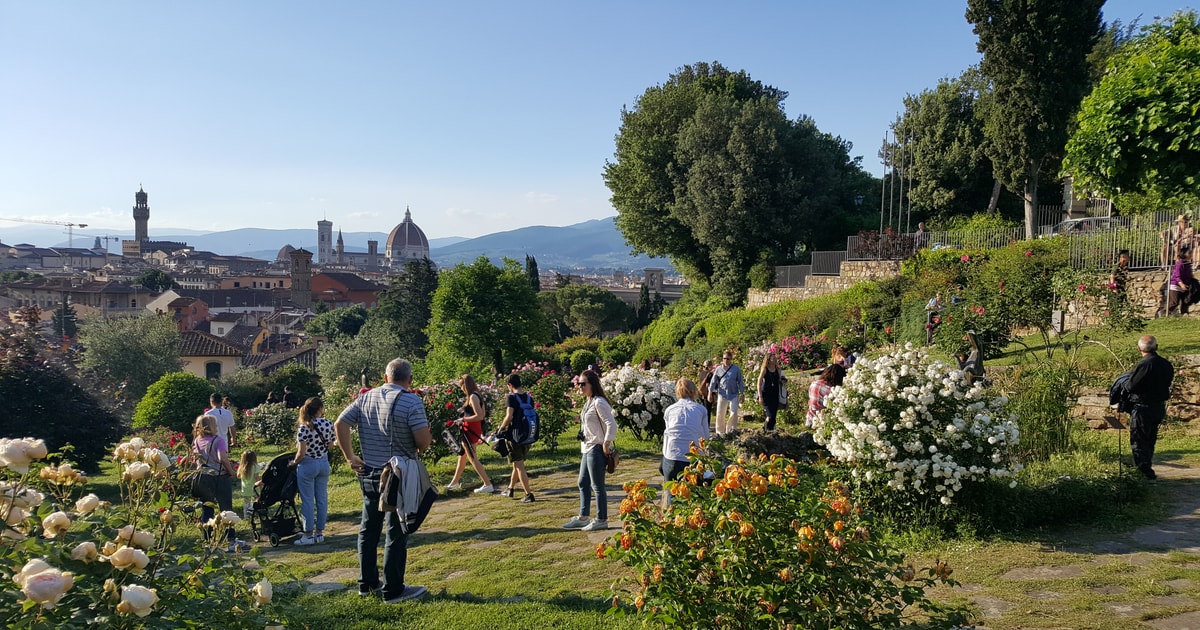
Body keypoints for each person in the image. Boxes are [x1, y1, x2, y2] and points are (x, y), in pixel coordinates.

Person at [335, 358, 433, 603]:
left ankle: (366, 583)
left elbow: (340, 423)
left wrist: (350, 457)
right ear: (409, 380)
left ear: (385, 376)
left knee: (368, 528)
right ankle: (393, 589)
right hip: (398, 474)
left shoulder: (366, 397)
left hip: (369, 471)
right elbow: (422, 441)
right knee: (396, 530)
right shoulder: (411, 401)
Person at [563, 369, 618, 531]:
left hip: (596, 447)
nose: (579, 386)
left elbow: (611, 423)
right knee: (582, 482)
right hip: (587, 447)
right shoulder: (589, 401)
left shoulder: (599, 402)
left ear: (592, 384)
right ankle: (583, 516)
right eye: (578, 383)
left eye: (582, 384)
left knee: (597, 485)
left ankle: (601, 519)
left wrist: (606, 443)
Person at [192, 414, 247, 551]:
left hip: (203, 477)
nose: (217, 427)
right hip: (219, 476)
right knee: (226, 509)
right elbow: (222, 458)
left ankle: (208, 541)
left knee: (207, 509)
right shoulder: (218, 440)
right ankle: (230, 540)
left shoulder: (197, 441)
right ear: (211, 427)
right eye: (215, 425)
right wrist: (231, 471)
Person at [1123, 336, 1175, 480]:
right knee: (1150, 438)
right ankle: (1147, 465)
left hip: (1142, 407)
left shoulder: (1144, 365)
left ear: (1139, 349)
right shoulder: (1166, 364)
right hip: (1158, 406)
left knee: (1139, 439)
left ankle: (1143, 471)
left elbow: (1131, 386)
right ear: (1156, 347)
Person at [290, 397, 336, 546]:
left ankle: (308, 534)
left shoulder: (304, 427)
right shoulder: (328, 424)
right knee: (322, 499)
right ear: (319, 409)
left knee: (308, 500)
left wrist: (293, 462)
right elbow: (330, 446)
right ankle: (319, 532)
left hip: (308, 464)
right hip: (323, 462)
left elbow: (301, 453)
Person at [445, 374, 495, 494]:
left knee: (472, 458)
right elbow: (480, 412)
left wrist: (463, 419)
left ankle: (487, 484)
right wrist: (464, 410)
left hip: (470, 430)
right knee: (462, 456)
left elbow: (479, 416)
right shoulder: (477, 395)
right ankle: (454, 482)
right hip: (474, 429)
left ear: (466, 386)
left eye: (462, 386)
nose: (461, 389)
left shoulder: (472, 397)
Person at [659, 378, 709, 498]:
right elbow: (705, 437)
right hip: (693, 459)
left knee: (672, 491)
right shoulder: (701, 410)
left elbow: (668, 434)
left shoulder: (669, 410)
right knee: (695, 494)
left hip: (672, 456)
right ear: (693, 392)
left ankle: (670, 509)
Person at [496, 374, 537, 502]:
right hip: (528, 435)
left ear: (510, 385)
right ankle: (510, 489)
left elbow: (509, 416)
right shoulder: (529, 399)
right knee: (517, 464)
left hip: (515, 436)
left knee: (519, 466)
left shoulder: (511, 398)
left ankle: (528, 494)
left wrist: (501, 428)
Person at [712, 351, 745, 435]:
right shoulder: (718, 369)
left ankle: (731, 430)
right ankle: (720, 432)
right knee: (720, 413)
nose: (725, 360)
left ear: (731, 359)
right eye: (724, 358)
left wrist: (742, 393)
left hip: (733, 393)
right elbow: (713, 381)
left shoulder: (736, 369)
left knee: (734, 412)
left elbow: (740, 381)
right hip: (722, 394)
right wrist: (710, 392)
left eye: (727, 358)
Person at [756, 353, 786, 431]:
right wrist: (760, 396)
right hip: (766, 394)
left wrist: (783, 381)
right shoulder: (765, 369)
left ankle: (769, 429)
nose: (774, 359)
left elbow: (780, 380)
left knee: (774, 414)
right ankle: (765, 427)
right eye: (772, 358)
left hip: (775, 393)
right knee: (769, 414)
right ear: (768, 360)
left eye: (774, 358)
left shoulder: (778, 369)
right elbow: (759, 382)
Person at [1167, 250, 1198, 316]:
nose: (1191, 254)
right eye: (1189, 253)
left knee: (1185, 302)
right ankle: (1163, 313)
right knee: (1174, 302)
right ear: (1183, 254)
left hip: (1185, 285)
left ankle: (1184, 315)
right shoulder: (1180, 263)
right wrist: (1181, 284)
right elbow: (1177, 275)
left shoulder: (1187, 264)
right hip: (1176, 285)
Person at [237, 450, 262, 521]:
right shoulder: (255, 467)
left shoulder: (241, 467)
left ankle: (246, 516)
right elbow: (257, 478)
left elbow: (238, 476)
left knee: (246, 502)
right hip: (254, 488)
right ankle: (253, 511)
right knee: (257, 499)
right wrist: (261, 486)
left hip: (245, 489)